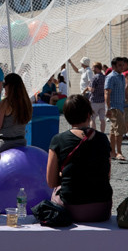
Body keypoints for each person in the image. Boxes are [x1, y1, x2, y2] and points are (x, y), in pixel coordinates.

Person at [46, 94, 113, 222]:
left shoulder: (58, 140)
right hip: (102, 208)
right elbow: (107, 174)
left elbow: (51, 182)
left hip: (71, 208)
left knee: (56, 192)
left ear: (67, 116)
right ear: (88, 114)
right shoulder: (103, 139)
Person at [0, 73, 32, 153]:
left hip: (5, 143)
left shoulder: (5, 103)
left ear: (10, 86)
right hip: (21, 141)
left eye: (4, 85)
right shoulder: (26, 102)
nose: (3, 88)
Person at [105, 57, 128, 161]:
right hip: (114, 108)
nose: (122, 67)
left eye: (123, 65)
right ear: (113, 66)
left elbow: (124, 93)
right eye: (119, 65)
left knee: (114, 131)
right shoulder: (111, 77)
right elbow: (107, 93)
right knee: (119, 131)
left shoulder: (122, 76)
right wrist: (108, 108)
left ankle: (112, 152)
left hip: (120, 107)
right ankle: (118, 152)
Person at [89, 62, 107, 132]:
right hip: (102, 101)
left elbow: (92, 89)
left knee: (92, 119)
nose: (92, 69)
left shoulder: (94, 77)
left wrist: (88, 87)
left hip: (94, 101)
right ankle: (102, 134)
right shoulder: (105, 77)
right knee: (102, 119)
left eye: (93, 67)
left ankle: (93, 135)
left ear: (96, 68)